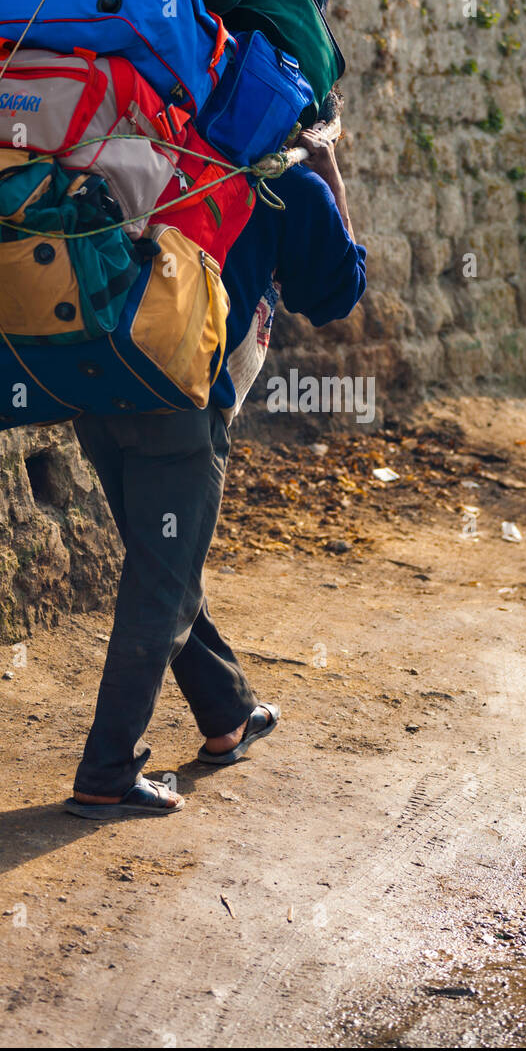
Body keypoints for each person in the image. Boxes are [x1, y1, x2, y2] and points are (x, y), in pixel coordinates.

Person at [65, 94, 366, 818]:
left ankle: (228, 715)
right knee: (160, 581)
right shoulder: (288, 183)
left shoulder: (137, 148)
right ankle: (106, 772)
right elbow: (338, 292)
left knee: (163, 560)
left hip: (92, 382)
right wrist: (327, 168)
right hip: (180, 398)